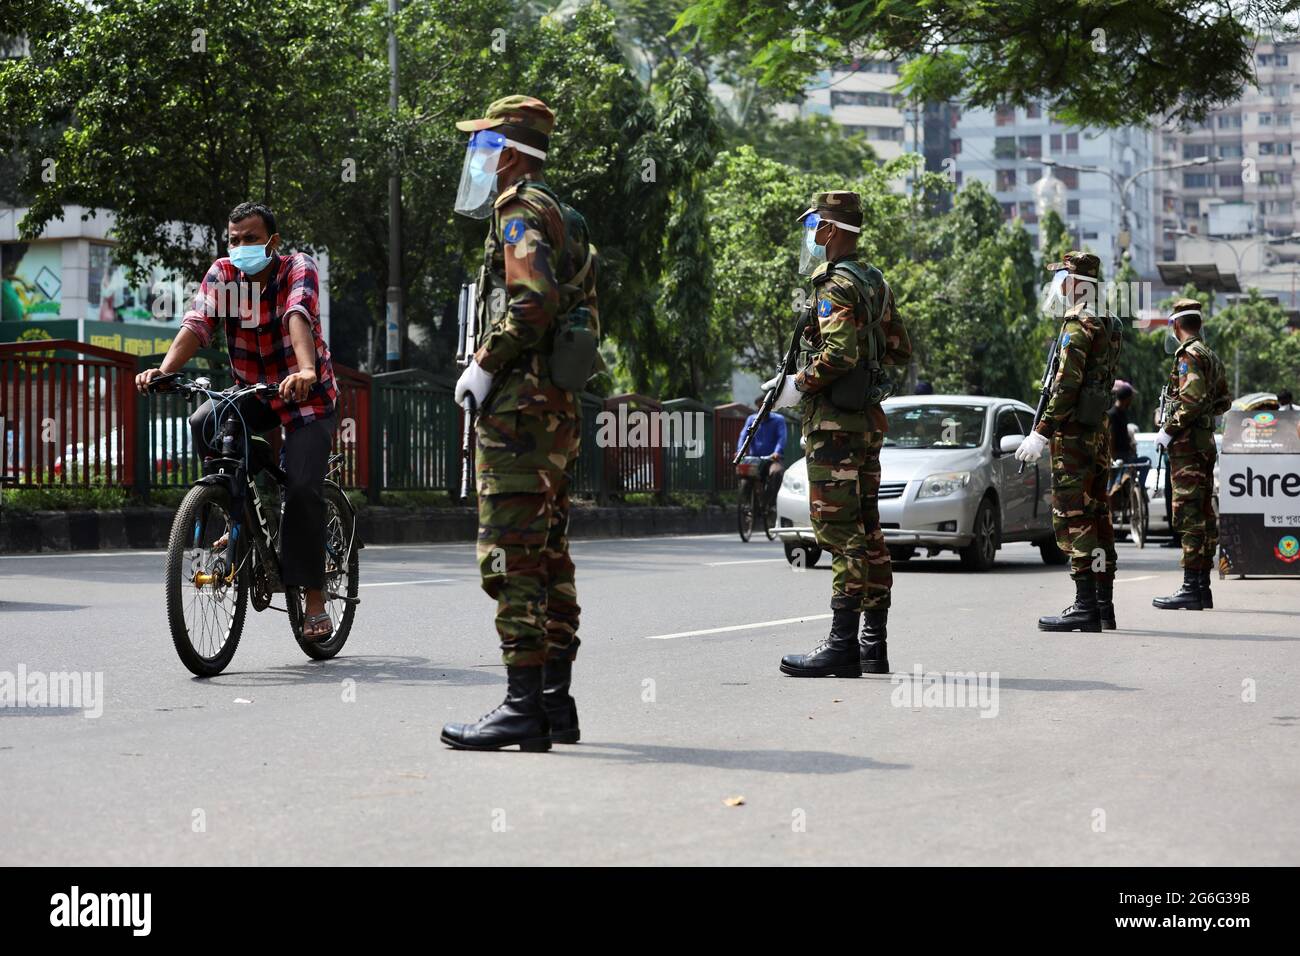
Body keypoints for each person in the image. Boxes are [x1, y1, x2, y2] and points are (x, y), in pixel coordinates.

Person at [441, 95, 599, 752]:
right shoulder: (566, 214)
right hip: (556, 416)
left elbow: (531, 303)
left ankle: (520, 708)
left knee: (508, 560)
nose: (475, 158)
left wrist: (483, 362)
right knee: (550, 557)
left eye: (481, 145)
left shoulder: (517, 209)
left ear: (505, 152)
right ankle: (555, 705)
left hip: (519, 418)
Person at [135, 202, 339, 640]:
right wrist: (166, 370)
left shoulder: (296, 268)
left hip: (305, 396)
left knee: (303, 489)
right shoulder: (224, 275)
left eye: (250, 238)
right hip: (253, 391)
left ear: (273, 241)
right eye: (235, 239)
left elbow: (297, 315)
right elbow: (198, 321)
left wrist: (305, 372)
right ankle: (236, 514)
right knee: (203, 421)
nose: (241, 247)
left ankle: (315, 598)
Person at [768, 191, 911, 677]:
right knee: (868, 528)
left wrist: (798, 385)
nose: (810, 236)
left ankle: (842, 645)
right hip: (866, 423)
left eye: (813, 227)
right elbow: (898, 350)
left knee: (840, 531)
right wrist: (868, 388)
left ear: (829, 230)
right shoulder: (875, 282)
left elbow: (839, 354)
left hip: (834, 427)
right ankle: (874, 643)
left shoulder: (834, 286)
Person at [1015, 252, 1124, 631]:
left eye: (1062, 277)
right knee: (1097, 517)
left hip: (1075, 438)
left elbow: (1065, 387)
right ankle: (1102, 604)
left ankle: (1084, 606)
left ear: (1076, 282)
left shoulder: (1078, 326)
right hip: (1097, 435)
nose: (1057, 285)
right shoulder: (1108, 323)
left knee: (1074, 515)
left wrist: (1040, 432)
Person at [1152, 299, 1231, 611]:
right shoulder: (1209, 354)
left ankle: (1190, 587)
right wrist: (1200, 416)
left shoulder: (1188, 354)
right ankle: (1201, 588)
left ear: (1175, 325)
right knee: (1202, 513)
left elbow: (1193, 398)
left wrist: (1170, 429)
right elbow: (1222, 400)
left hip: (1187, 447)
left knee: (1188, 514)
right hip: (1203, 442)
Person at [739, 395, 787, 508]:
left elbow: (782, 438)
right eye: (760, 405)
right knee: (744, 480)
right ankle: (748, 505)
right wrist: (740, 451)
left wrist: (777, 452)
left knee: (776, 473)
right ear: (757, 406)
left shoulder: (778, 420)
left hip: (772, 459)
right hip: (755, 459)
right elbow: (743, 436)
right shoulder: (751, 419)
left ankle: (768, 503)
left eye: (765, 405)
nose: (763, 408)